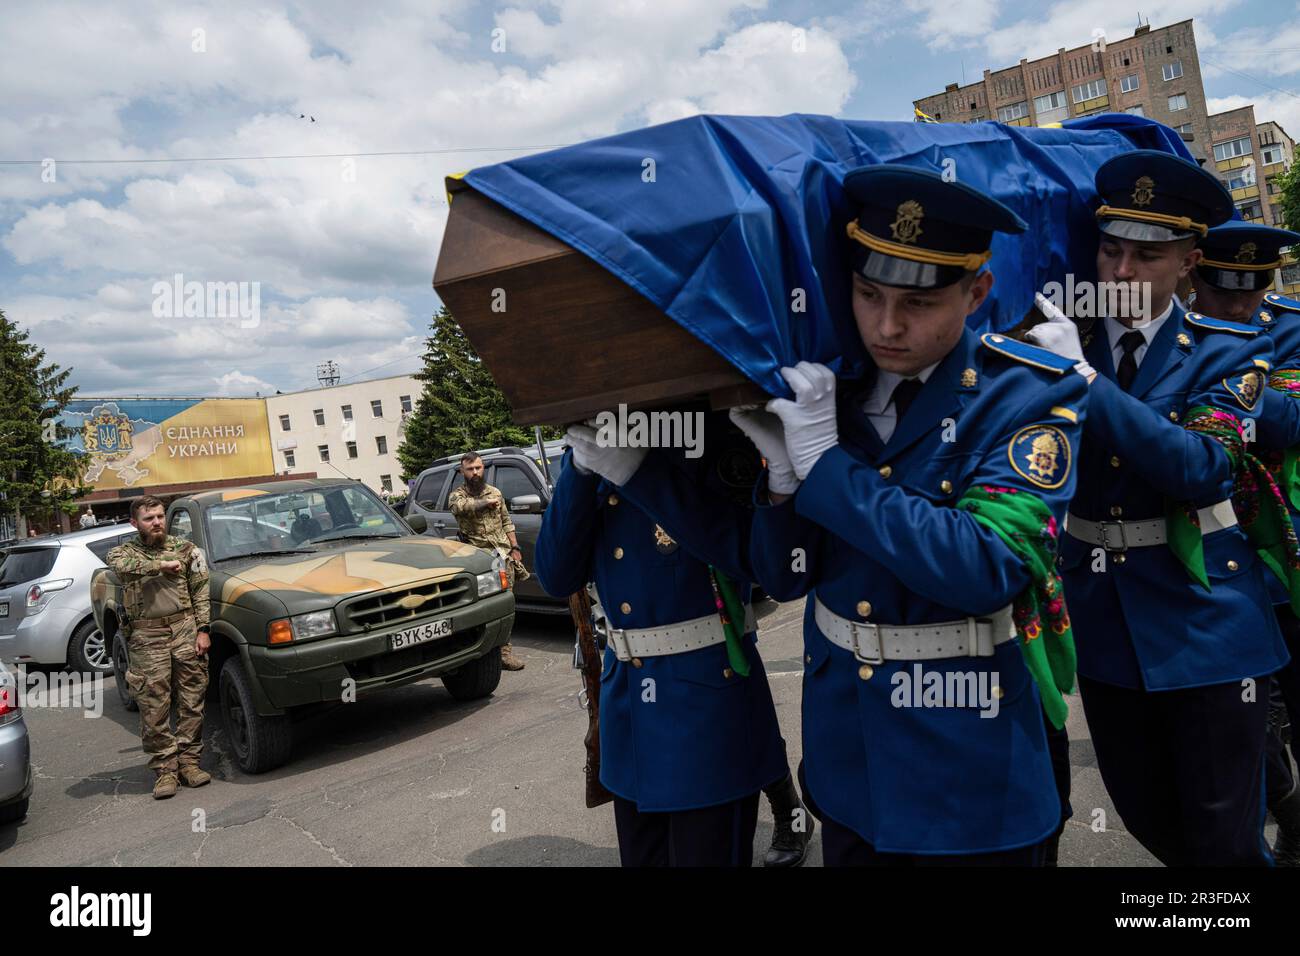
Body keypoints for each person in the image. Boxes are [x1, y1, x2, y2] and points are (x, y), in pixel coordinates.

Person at [737, 165, 1085, 865]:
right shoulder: (829, 394)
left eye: (917, 304)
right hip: (849, 762)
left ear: (977, 290)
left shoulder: (1026, 394)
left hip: (970, 768)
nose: (887, 325)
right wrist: (780, 483)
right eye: (868, 294)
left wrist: (826, 467)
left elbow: (989, 566)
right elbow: (782, 576)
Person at [1026, 151, 1289, 866]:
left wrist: (1081, 382)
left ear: (1188, 263)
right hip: (1104, 619)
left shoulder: (1229, 348)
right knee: (1148, 817)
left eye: (1147, 255)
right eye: (1110, 250)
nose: (1119, 273)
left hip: (1207, 620)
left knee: (1222, 843)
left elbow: (1200, 469)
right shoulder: (1057, 340)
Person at [535, 414, 800, 866]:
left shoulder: (708, 432)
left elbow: (757, 561)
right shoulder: (590, 450)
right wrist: (579, 469)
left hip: (705, 709)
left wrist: (639, 473)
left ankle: (787, 809)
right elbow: (557, 575)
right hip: (630, 711)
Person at [1186, 222, 1300, 865]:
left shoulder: (1286, 325)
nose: (1238, 304)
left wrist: (1237, 374)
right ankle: (1282, 816)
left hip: (1283, 558)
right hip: (1211, 565)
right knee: (1249, 728)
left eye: (1252, 288)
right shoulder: (1175, 343)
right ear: (1194, 275)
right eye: (1221, 289)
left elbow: (1292, 417)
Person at [104, 495, 212, 800]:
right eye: (149, 518)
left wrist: (203, 630)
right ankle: (165, 769)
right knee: (154, 705)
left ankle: (189, 763)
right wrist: (160, 566)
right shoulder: (124, 553)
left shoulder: (187, 550)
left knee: (192, 699)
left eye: (160, 516)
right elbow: (119, 566)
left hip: (184, 629)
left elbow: (201, 591)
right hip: (146, 636)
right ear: (134, 523)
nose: (156, 523)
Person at [448, 453, 527, 671]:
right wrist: (484, 503)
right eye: (470, 469)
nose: (475, 472)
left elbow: (506, 521)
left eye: (478, 468)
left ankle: (504, 653)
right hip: (477, 558)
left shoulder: (496, 492)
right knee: (481, 607)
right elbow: (460, 508)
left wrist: (515, 547)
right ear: (462, 471)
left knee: (506, 603)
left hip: (501, 554)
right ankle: (479, 652)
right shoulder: (457, 495)